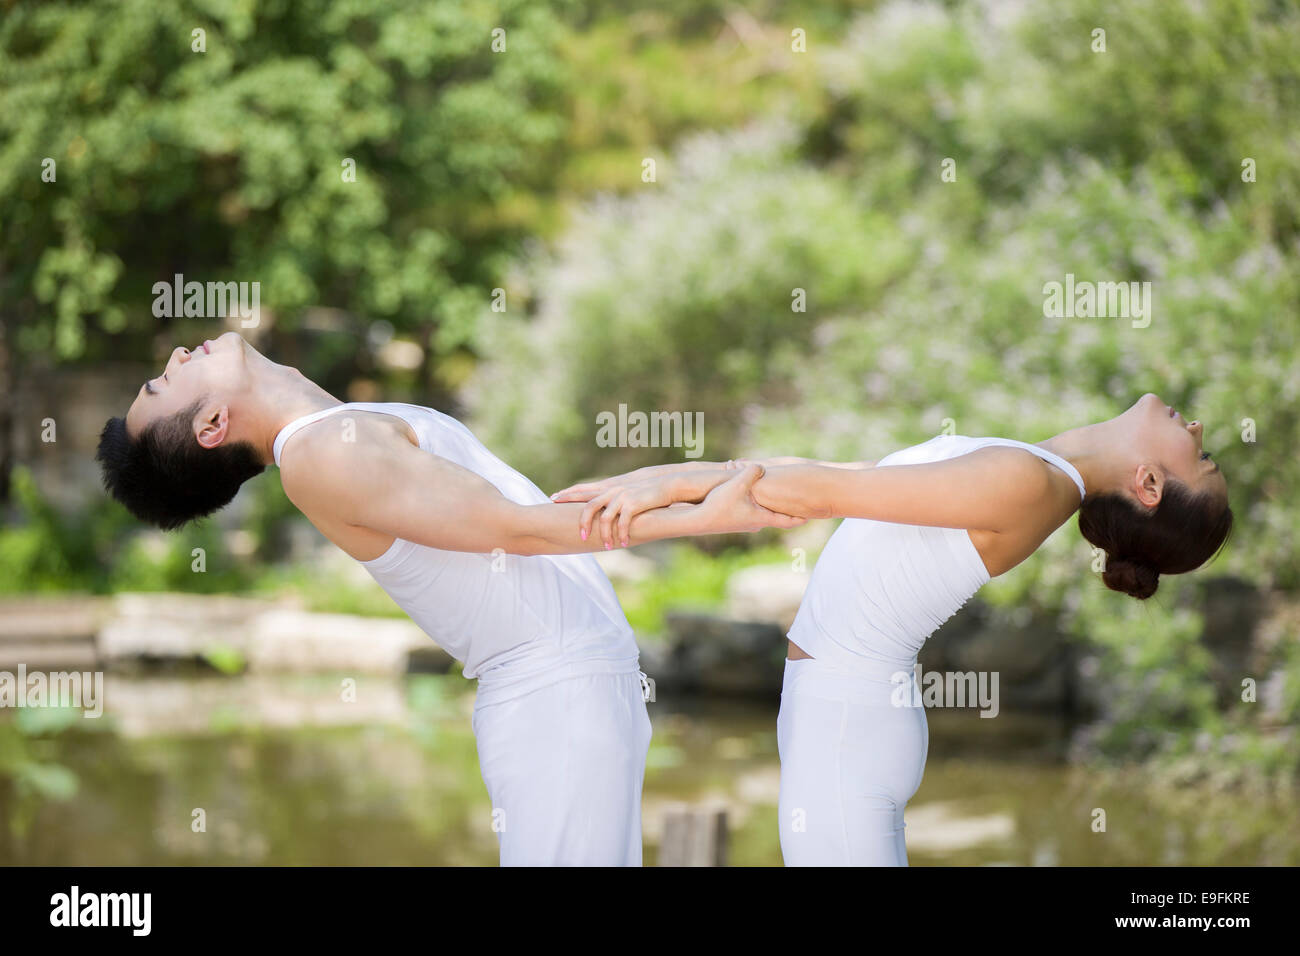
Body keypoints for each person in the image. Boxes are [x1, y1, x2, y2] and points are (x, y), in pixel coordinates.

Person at [96, 331, 803, 866]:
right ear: (212, 425)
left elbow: (532, 513)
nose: (179, 353)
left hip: (573, 690)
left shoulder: (337, 429)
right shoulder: (321, 453)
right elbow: (518, 531)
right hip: (554, 698)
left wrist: (702, 482)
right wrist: (712, 513)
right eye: (166, 381)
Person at [551, 392, 1233, 865]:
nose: (1198, 430)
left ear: (1148, 484)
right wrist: (654, 478)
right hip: (847, 719)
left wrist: (657, 491)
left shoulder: (1029, 483)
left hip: (847, 730)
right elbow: (836, 478)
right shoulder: (1034, 471)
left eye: (1199, 461)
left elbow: (816, 492)